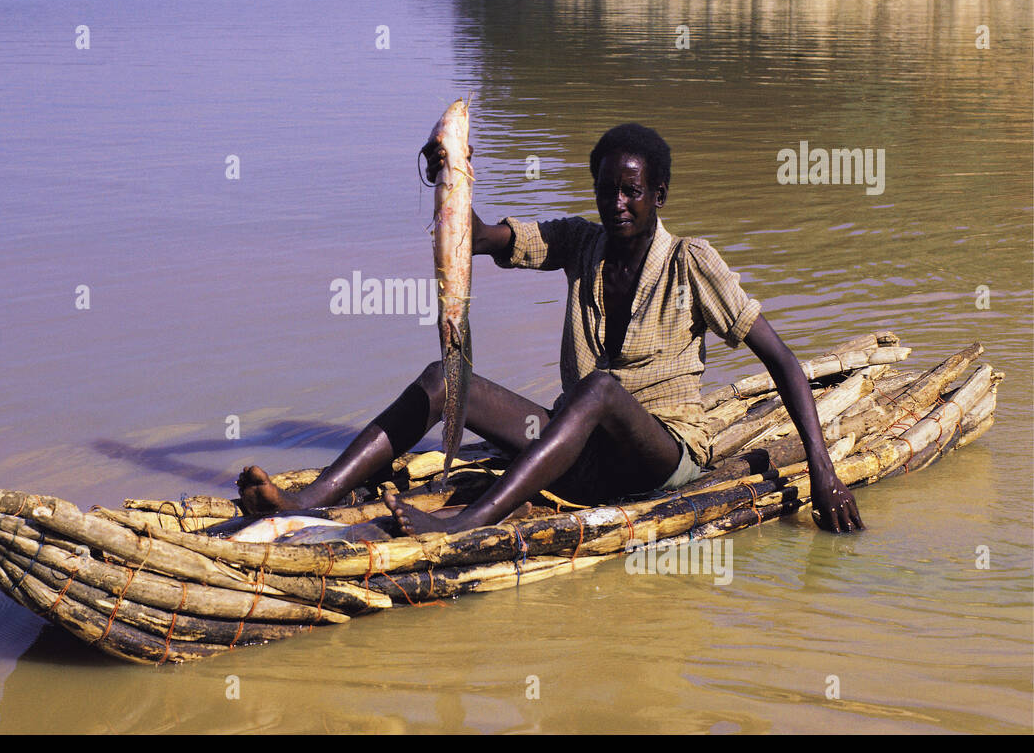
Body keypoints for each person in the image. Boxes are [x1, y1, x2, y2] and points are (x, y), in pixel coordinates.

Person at [236, 122, 863, 536]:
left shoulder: (690, 262)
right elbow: (478, 238)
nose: (617, 203)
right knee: (443, 379)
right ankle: (312, 500)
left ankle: (469, 521)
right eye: (606, 189)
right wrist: (450, 171)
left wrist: (824, 474)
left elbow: (781, 361)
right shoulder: (579, 243)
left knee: (601, 391)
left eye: (632, 192)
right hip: (578, 451)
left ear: (659, 196)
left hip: (660, 455)